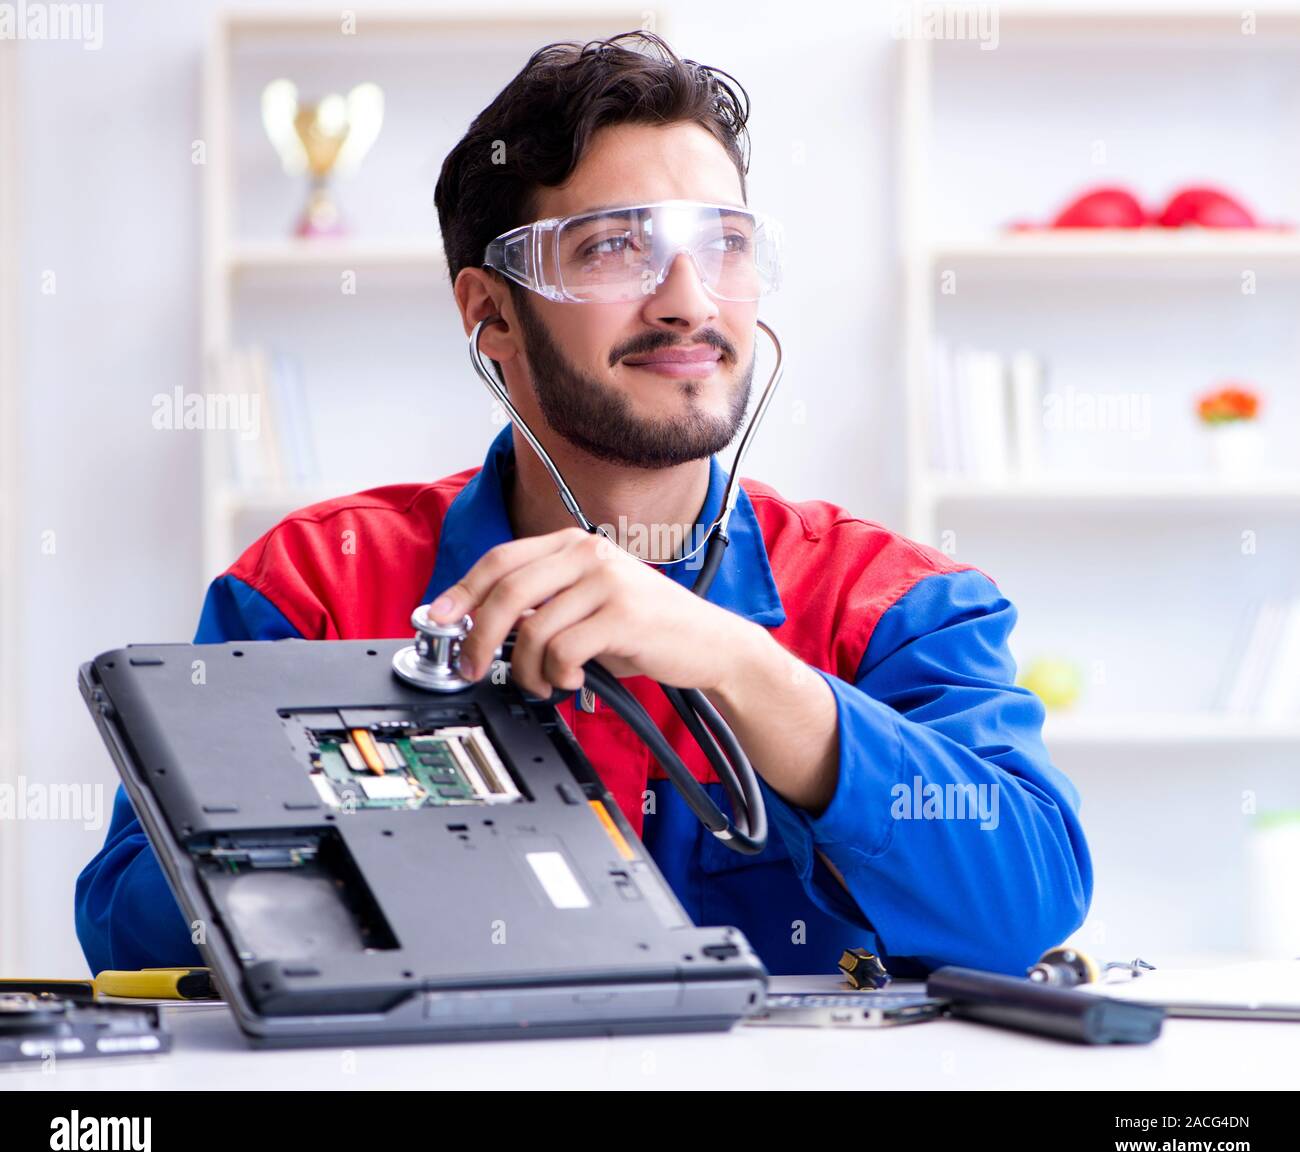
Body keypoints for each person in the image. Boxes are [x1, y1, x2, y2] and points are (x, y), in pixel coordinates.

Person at [76, 30, 1091, 979]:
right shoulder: (312, 588)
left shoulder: (898, 601)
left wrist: (736, 661)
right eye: (615, 246)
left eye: (725, 243)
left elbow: (1029, 900)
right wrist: (396, 786)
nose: (690, 298)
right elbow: (128, 927)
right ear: (490, 313)